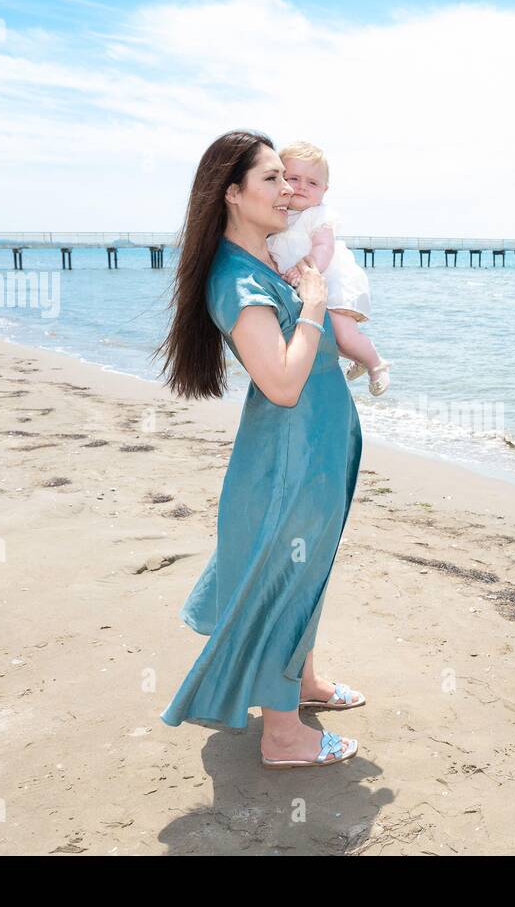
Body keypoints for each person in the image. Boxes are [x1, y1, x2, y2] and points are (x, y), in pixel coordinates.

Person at [152, 130, 365, 769]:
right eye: (272, 179)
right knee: (286, 578)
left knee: (307, 570)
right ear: (233, 194)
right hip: (290, 458)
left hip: (315, 448)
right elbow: (279, 380)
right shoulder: (239, 280)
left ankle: (300, 682)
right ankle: (283, 736)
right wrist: (315, 305)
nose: (289, 190)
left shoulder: (268, 260)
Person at [267, 141, 390, 396]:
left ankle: (376, 363)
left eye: (312, 183)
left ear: (324, 190)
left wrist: (308, 267)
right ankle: (359, 358)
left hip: (331, 281)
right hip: (305, 286)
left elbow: (324, 247)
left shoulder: (318, 215)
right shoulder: (276, 216)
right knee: (326, 335)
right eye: (294, 178)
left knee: (342, 333)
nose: (302, 186)